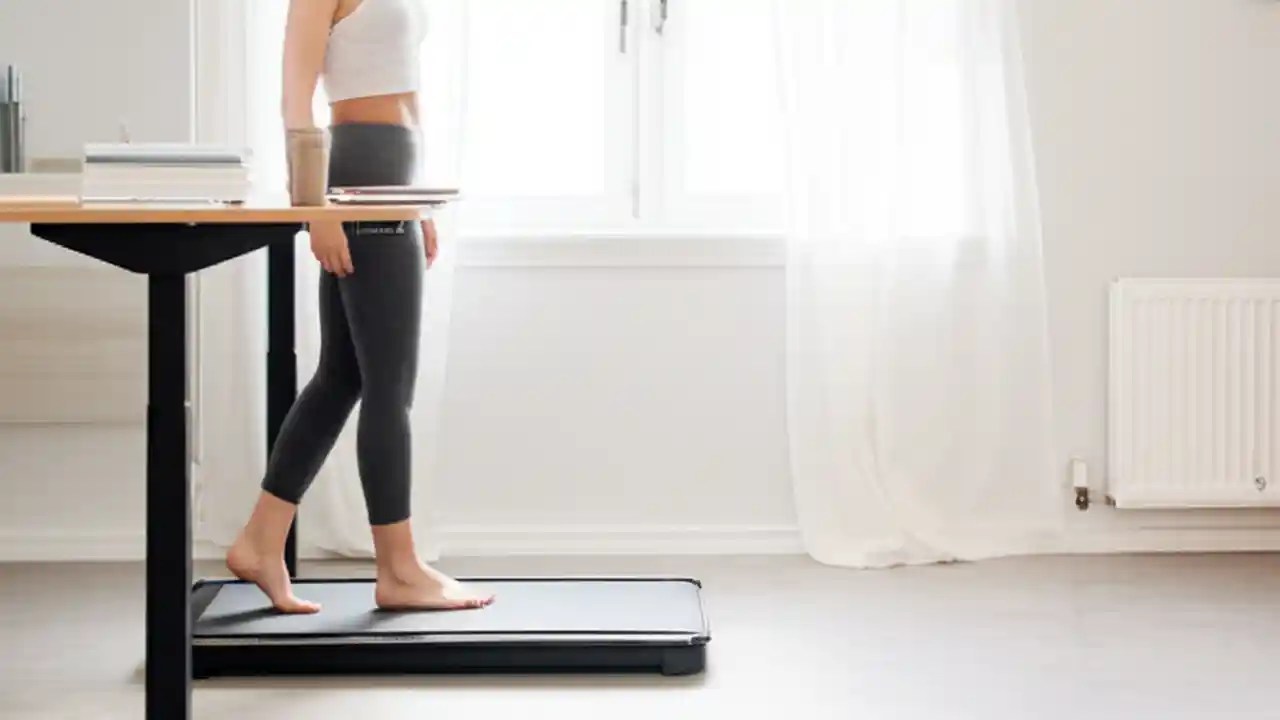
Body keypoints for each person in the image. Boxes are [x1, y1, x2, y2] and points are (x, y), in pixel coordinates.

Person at [226, 0, 494, 614]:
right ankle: (398, 569)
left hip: (395, 178)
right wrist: (316, 210)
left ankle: (260, 541)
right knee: (388, 385)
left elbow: (405, 89)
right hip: (357, 176)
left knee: (341, 376)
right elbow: (296, 104)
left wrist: (420, 202)